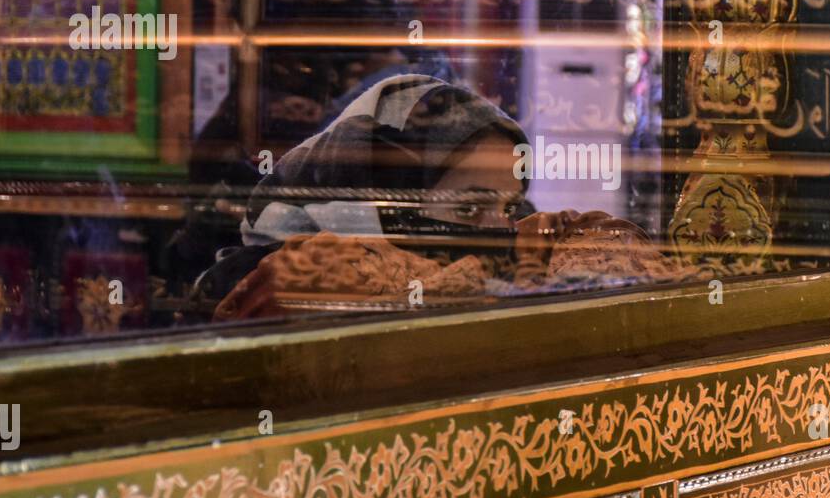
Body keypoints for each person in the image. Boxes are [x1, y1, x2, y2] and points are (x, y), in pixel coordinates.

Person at [204, 74, 678, 320]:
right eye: (469, 207)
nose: (500, 230)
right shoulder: (269, 285)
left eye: (509, 208)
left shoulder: (511, 250)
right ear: (381, 197)